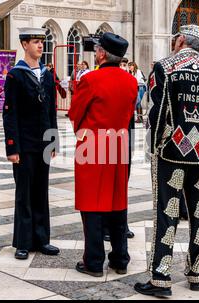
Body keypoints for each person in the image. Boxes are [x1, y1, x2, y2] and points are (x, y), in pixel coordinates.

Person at [135, 24, 199, 297]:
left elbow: (157, 111)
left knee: (167, 212)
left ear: (180, 41)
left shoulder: (166, 67)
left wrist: (154, 148)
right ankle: (198, 272)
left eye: (175, 39)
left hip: (172, 152)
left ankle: (161, 277)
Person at [69, 32, 138, 277]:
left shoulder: (91, 79)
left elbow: (75, 112)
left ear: (101, 54)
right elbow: (130, 114)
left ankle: (94, 261)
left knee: (92, 204)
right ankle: (120, 259)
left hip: (93, 146)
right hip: (118, 145)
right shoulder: (131, 81)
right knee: (117, 203)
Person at [2, 27, 60, 261]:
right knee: (24, 192)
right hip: (24, 143)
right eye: (36, 41)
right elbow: (10, 113)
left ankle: (42, 238)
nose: (40, 46)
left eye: (42, 42)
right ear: (24, 44)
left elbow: (52, 110)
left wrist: (53, 141)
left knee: (41, 190)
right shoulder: (15, 75)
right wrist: (12, 147)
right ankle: (23, 242)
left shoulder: (47, 74)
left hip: (43, 141)